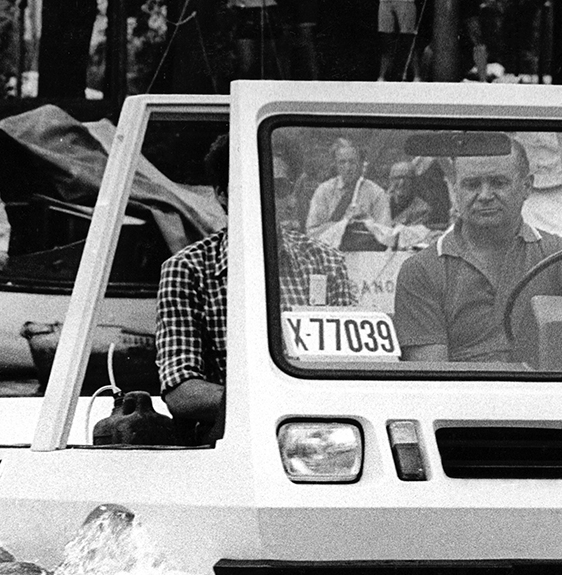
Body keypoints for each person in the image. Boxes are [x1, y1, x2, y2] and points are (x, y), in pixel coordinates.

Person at [155, 134, 354, 439]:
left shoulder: (326, 262)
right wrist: (280, 403)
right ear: (222, 194)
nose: (268, 196)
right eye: (252, 185)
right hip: (233, 443)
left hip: (325, 442)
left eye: (280, 186)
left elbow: (353, 368)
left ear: (293, 191)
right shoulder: (187, 271)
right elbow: (182, 392)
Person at [393, 137, 562, 363]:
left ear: (527, 186)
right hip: (464, 414)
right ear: (454, 190)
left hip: (546, 407)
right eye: (472, 184)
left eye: (498, 182)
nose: (484, 195)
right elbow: (432, 381)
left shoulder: (557, 252)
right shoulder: (422, 270)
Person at [305, 138, 391, 241]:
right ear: (335, 164)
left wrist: (366, 222)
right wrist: (343, 223)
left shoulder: (376, 193)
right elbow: (311, 233)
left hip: (366, 253)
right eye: (342, 162)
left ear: (361, 163)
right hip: (330, 252)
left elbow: (387, 235)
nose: (348, 168)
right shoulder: (324, 191)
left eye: (352, 162)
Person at [378, 0, 421, 80]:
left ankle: (417, 76)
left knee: (408, 38)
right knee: (386, 39)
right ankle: (382, 77)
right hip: (385, 2)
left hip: (405, 2)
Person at [387, 160, 432, 227]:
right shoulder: (380, 203)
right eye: (397, 178)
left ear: (414, 182)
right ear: (390, 181)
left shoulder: (423, 209)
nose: (401, 183)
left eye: (406, 178)